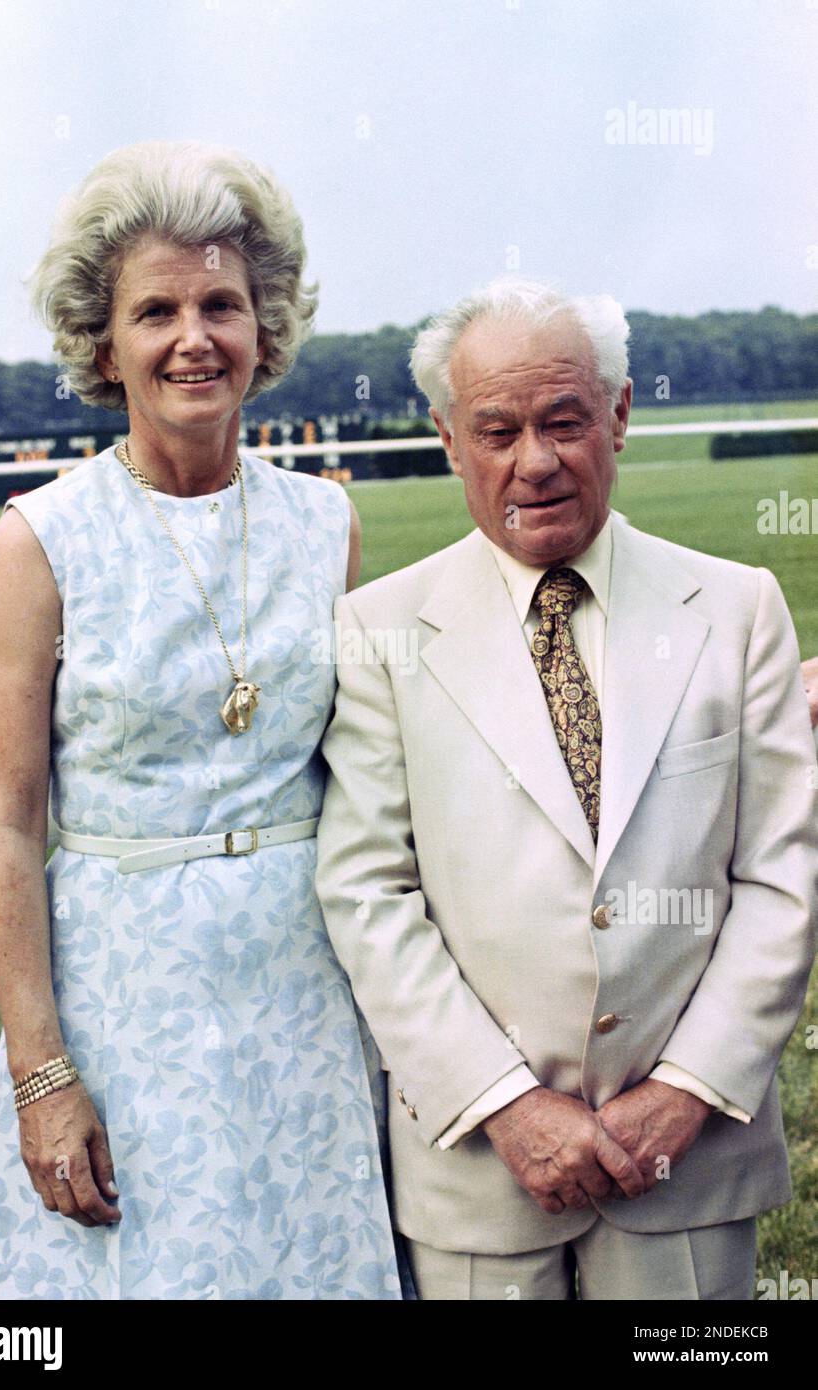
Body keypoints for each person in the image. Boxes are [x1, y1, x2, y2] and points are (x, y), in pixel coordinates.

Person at [0, 141, 403, 1300]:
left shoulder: (323, 523)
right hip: (121, 1005)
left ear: (266, 327)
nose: (193, 336)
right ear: (104, 341)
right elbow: (5, 825)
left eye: (221, 304)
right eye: (156, 309)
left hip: (304, 994)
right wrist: (45, 1077)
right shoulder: (37, 540)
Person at [315, 276, 818, 1301]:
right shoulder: (378, 631)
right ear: (448, 439)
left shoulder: (738, 609)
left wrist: (685, 1090)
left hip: (686, 1169)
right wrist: (505, 1105)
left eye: (564, 421)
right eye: (496, 430)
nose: (533, 461)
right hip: (479, 1175)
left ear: (620, 415)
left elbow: (782, 875)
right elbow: (368, 893)